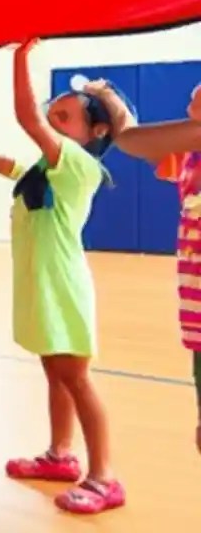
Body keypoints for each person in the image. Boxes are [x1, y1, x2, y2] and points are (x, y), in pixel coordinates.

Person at [0, 39, 133, 515]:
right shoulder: (43, 168)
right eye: (52, 114)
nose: (50, 122)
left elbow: (26, 118)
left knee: (76, 378)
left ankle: (104, 477)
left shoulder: (80, 166)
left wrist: (20, 55)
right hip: (42, 286)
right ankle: (61, 454)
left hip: (62, 285)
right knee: (54, 373)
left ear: (94, 132)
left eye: (63, 118)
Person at [113, 81, 201, 454]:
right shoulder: (189, 158)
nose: (190, 98)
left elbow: (133, 138)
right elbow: (131, 140)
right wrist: (110, 99)